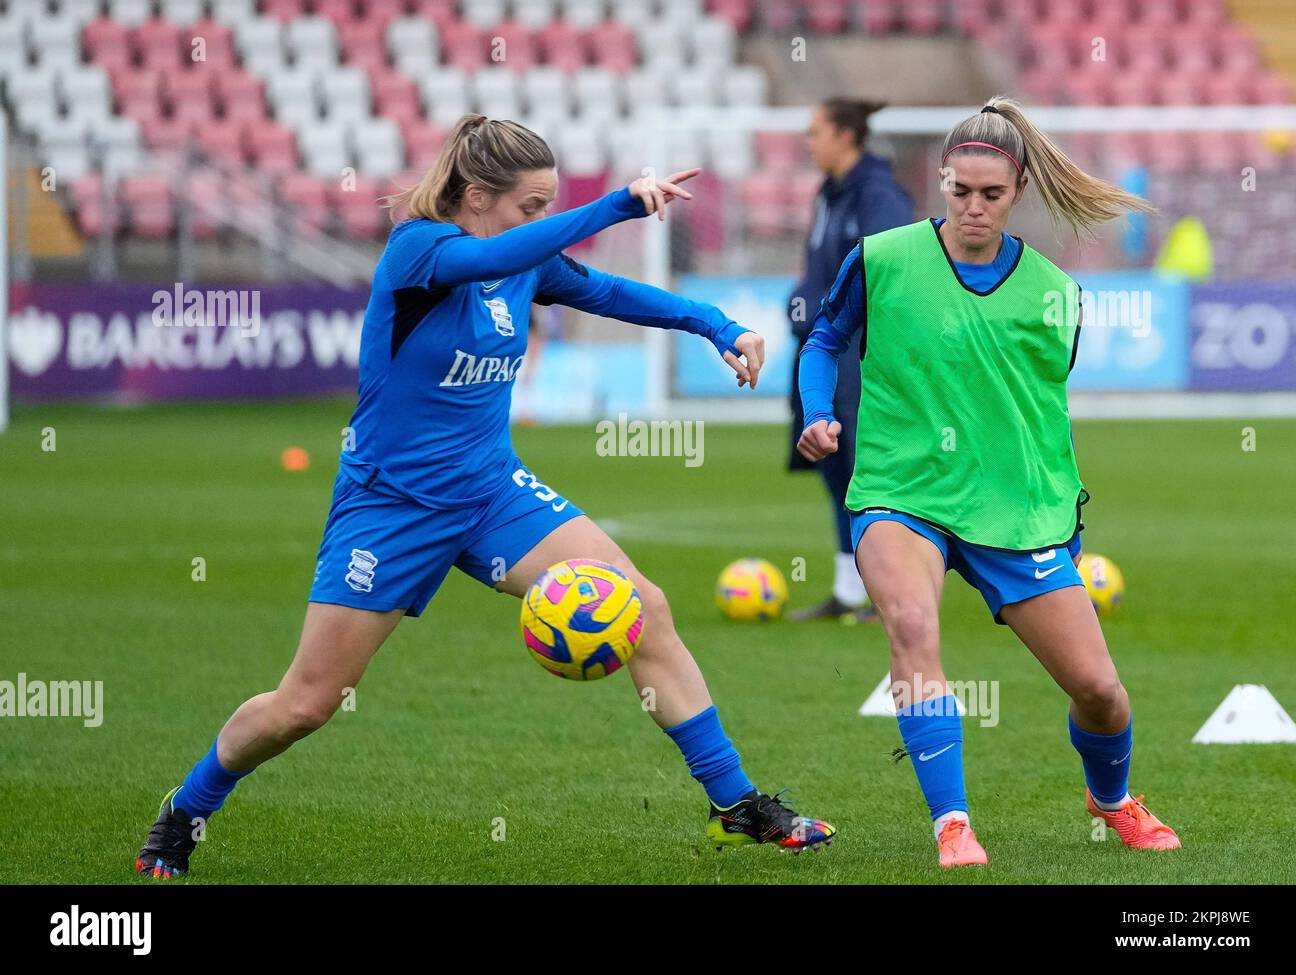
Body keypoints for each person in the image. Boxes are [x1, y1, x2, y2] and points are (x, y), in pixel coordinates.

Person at [136, 115, 834, 878]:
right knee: (305, 703)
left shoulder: (524, 259)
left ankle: (734, 804)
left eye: (549, 206)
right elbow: (504, 252)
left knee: (645, 607)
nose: (540, 223)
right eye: (531, 206)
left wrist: (715, 323)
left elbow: (604, 289)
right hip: (391, 506)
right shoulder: (418, 249)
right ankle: (190, 806)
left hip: (493, 492)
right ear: (474, 196)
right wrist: (616, 205)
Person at [797, 96, 1180, 868]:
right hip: (902, 490)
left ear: (1020, 193)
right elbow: (825, 336)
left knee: (1101, 692)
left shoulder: (1056, 294)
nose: (972, 207)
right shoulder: (883, 258)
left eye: (991, 195)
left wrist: (1063, 522)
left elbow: (1047, 416)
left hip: (1015, 510)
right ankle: (953, 823)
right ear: (940, 180)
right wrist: (818, 412)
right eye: (959, 190)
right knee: (910, 627)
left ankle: (1110, 800)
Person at [787, 98, 913, 623]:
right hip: (822, 348)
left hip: (858, 353)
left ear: (845, 136)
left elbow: (895, 273)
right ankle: (849, 591)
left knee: (869, 469)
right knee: (834, 466)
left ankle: (897, 592)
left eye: (815, 130)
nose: (807, 141)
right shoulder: (829, 193)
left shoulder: (879, 195)